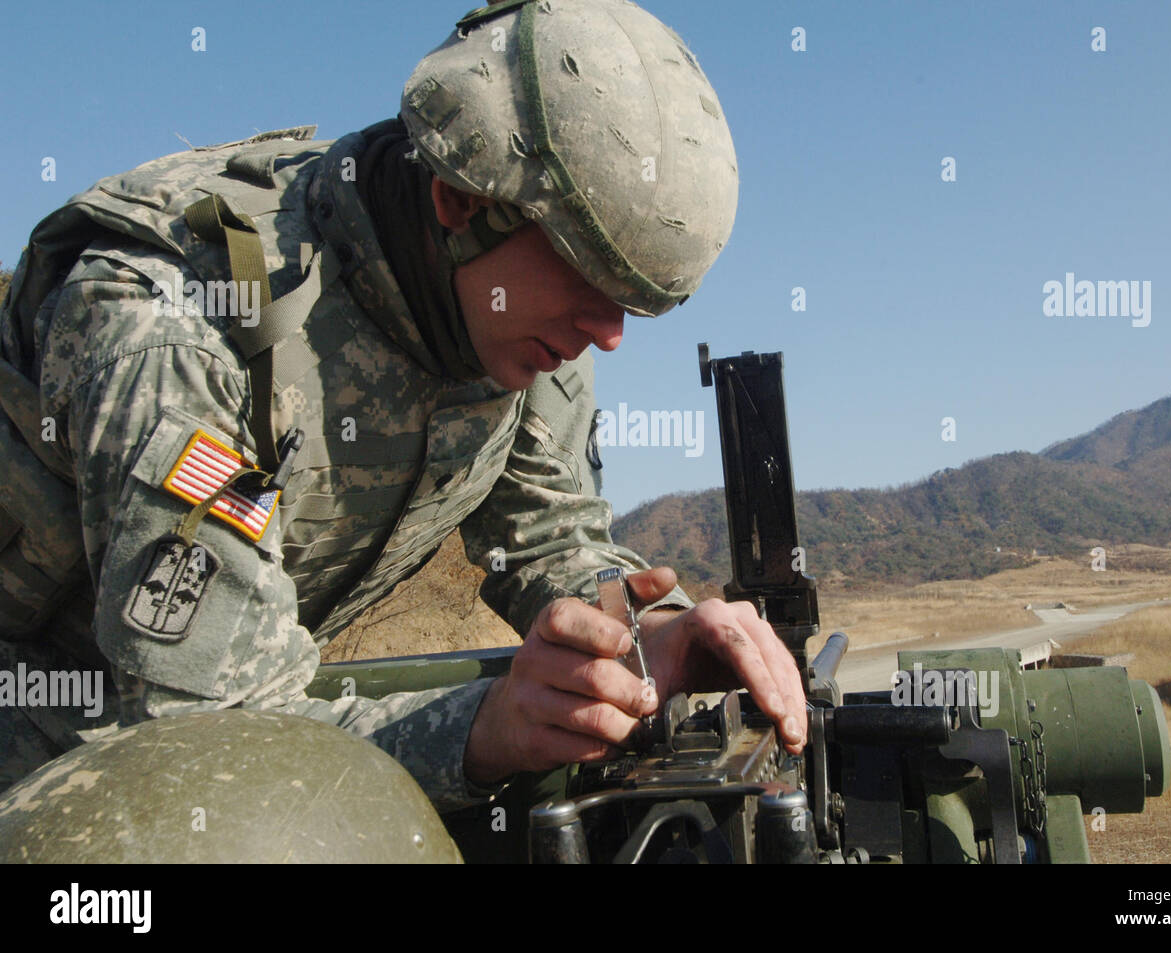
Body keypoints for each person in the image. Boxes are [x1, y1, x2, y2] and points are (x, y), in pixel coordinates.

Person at [0, 0, 806, 821]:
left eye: (631, 304)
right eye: (587, 278)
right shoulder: (178, 331)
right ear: (460, 198)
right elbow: (207, 738)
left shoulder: (512, 319)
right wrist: (481, 729)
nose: (607, 335)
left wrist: (648, 634)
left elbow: (547, 537)